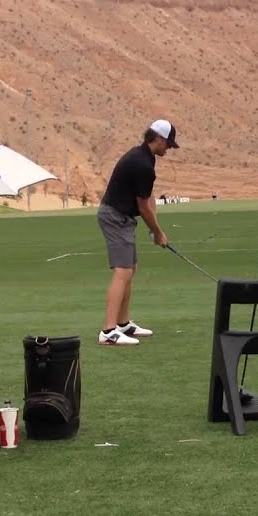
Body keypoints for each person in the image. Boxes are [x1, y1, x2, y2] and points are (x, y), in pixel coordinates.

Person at [96, 118, 178, 346]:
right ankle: (109, 332)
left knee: (131, 269)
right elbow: (143, 206)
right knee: (123, 271)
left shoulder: (145, 158)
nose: (169, 148)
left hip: (122, 217)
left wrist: (155, 227)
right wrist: (159, 233)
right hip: (114, 216)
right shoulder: (141, 163)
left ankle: (123, 324)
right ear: (158, 138)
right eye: (168, 144)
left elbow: (147, 197)